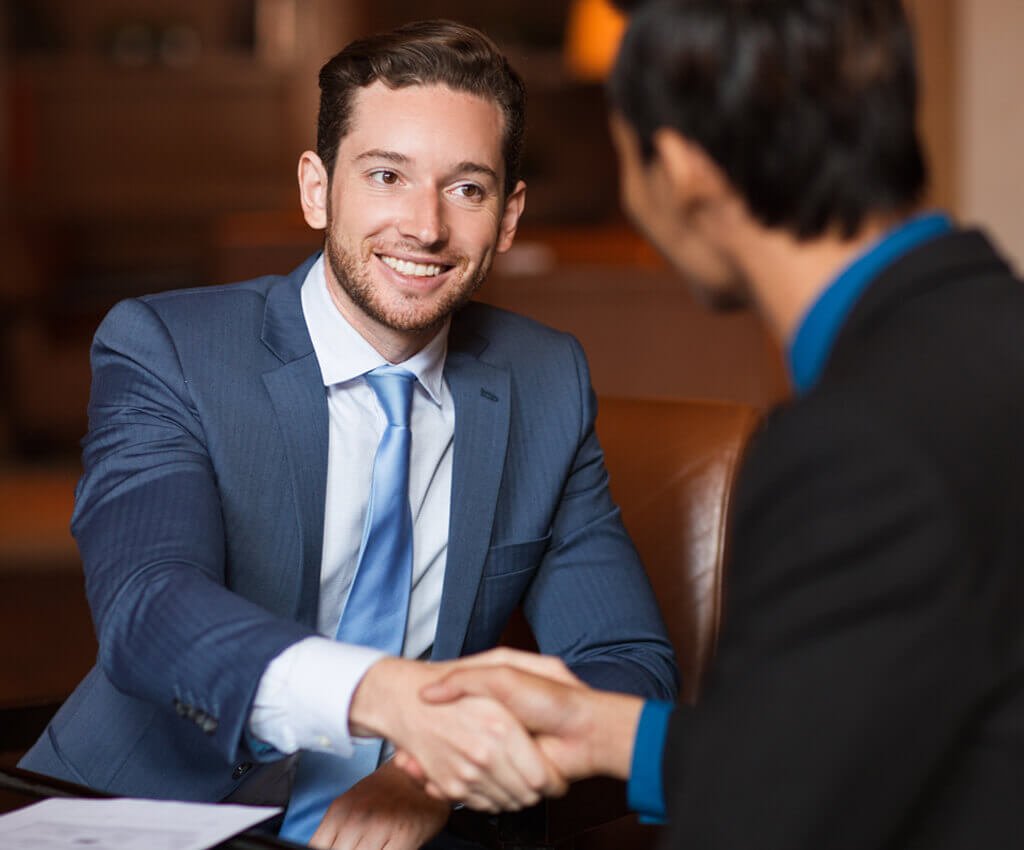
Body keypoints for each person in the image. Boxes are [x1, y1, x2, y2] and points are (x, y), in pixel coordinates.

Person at [18, 20, 677, 850]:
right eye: (386, 176)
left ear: (508, 216)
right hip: (146, 817)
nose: (425, 225)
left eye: (466, 188)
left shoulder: (547, 380)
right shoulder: (170, 348)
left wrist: (430, 774)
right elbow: (149, 607)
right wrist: (384, 694)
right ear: (317, 189)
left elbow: (626, 663)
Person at [409, 1, 1024, 848]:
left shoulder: (857, 447)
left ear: (683, 167)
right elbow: (858, 738)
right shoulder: (987, 333)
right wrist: (613, 734)